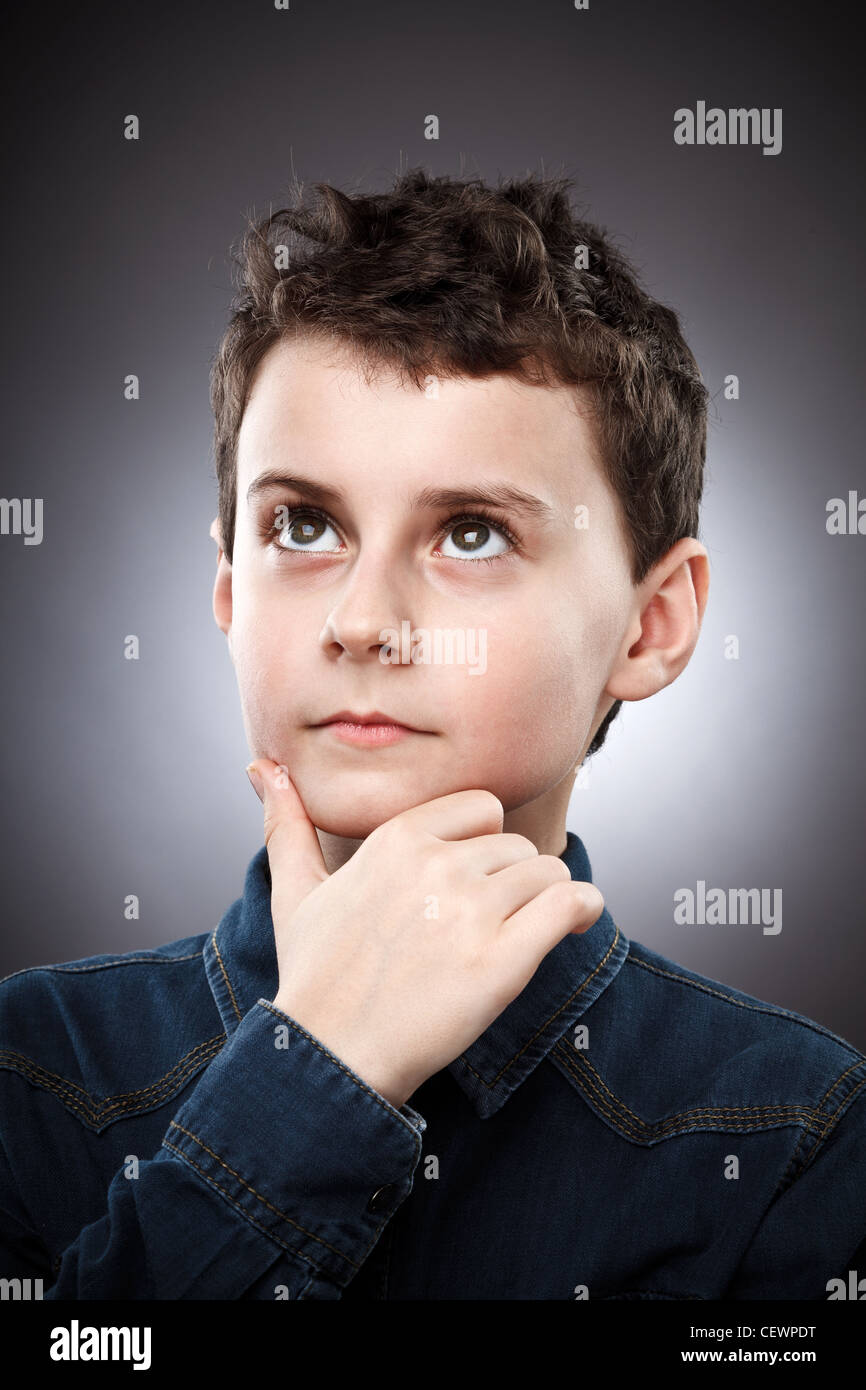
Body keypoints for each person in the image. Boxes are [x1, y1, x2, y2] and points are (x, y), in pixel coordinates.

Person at [1, 169, 863, 1300]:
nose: (360, 621)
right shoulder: (31, 1071)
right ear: (225, 587)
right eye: (300, 525)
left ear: (648, 627)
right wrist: (312, 1078)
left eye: (470, 534)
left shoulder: (792, 1132)